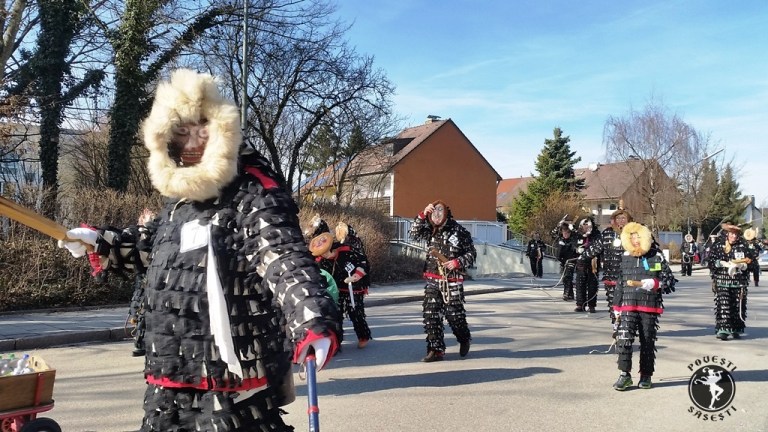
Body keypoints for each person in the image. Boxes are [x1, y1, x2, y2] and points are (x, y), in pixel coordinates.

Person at [58, 69, 340, 432]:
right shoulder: (179, 204)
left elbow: (283, 257)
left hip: (231, 380)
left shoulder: (253, 192)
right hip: (171, 371)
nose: (191, 139)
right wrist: (102, 242)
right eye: (181, 130)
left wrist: (312, 319)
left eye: (200, 127)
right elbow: (153, 246)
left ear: (221, 130)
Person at [612, 222, 676, 391]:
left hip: (649, 306)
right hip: (627, 305)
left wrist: (654, 283)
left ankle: (646, 375)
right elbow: (620, 283)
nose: (635, 241)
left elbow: (669, 281)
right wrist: (616, 307)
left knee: (647, 341)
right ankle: (624, 375)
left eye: (638, 237)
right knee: (624, 340)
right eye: (632, 238)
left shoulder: (656, 256)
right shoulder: (625, 257)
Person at [410, 200, 476, 362]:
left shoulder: (459, 231)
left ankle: (464, 338)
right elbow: (413, 234)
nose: (436, 217)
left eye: (439, 213)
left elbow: (472, 254)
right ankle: (435, 349)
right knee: (431, 315)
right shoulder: (430, 230)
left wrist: (456, 262)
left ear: (446, 214)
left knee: (454, 315)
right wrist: (422, 214)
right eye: (433, 214)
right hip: (433, 278)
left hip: (452, 278)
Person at [310, 231, 372, 349]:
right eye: (321, 254)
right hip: (336, 289)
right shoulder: (321, 261)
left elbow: (363, 263)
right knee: (335, 315)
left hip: (353, 288)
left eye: (325, 253)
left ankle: (363, 335)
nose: (323, 256)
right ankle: (336, 341)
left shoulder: (347, 251)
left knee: (355, 312)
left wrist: (355, 277)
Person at [707, 223, 751, 340]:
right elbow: (710, 260)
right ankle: (723, 330)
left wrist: (744, 266)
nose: (734, 236)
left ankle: (736, 328)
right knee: (724, 305)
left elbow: (751, 261)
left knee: (737, 305)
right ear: (727, 234)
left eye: (736, 234)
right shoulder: (718, 245)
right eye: (731, 234)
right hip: (722, 279)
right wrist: (721, 263)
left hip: (739, 281)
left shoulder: (743, 246)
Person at [600, 205, 632, 334]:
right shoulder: (607, 233)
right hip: (611, 275)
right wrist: (581, 259)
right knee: (614, 302)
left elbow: (648, 249)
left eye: (623, 218)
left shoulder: (635, 232)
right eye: (618, 218)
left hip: (630, 275)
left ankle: (628, 325)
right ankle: (616, 323)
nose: (621, 221)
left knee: (628, 302)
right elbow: (596, 248)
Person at [574, 216, 602, 313]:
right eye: (584, 224)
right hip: (581, 262)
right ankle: (580, 304)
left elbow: (598, 246)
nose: (586, 226)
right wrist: (578, 249)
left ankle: (591, 305)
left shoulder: (596, 234)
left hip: (593, 262)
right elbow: (574, 245)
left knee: (592, 285)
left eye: (588, 224)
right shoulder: (578, 235)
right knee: (580, 284)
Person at [552, 219, 578, 301]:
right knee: (565, 278)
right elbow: (552, 234)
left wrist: (573, 228)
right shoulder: (560, 239)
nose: (565, 234)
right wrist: (558, 226)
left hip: (571, 260)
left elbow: (578, 235)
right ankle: (571, 294)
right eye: (564, 232)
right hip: (562, 261)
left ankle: (566, 293)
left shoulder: (573, 239)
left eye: (567, 232)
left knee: (568, 277)